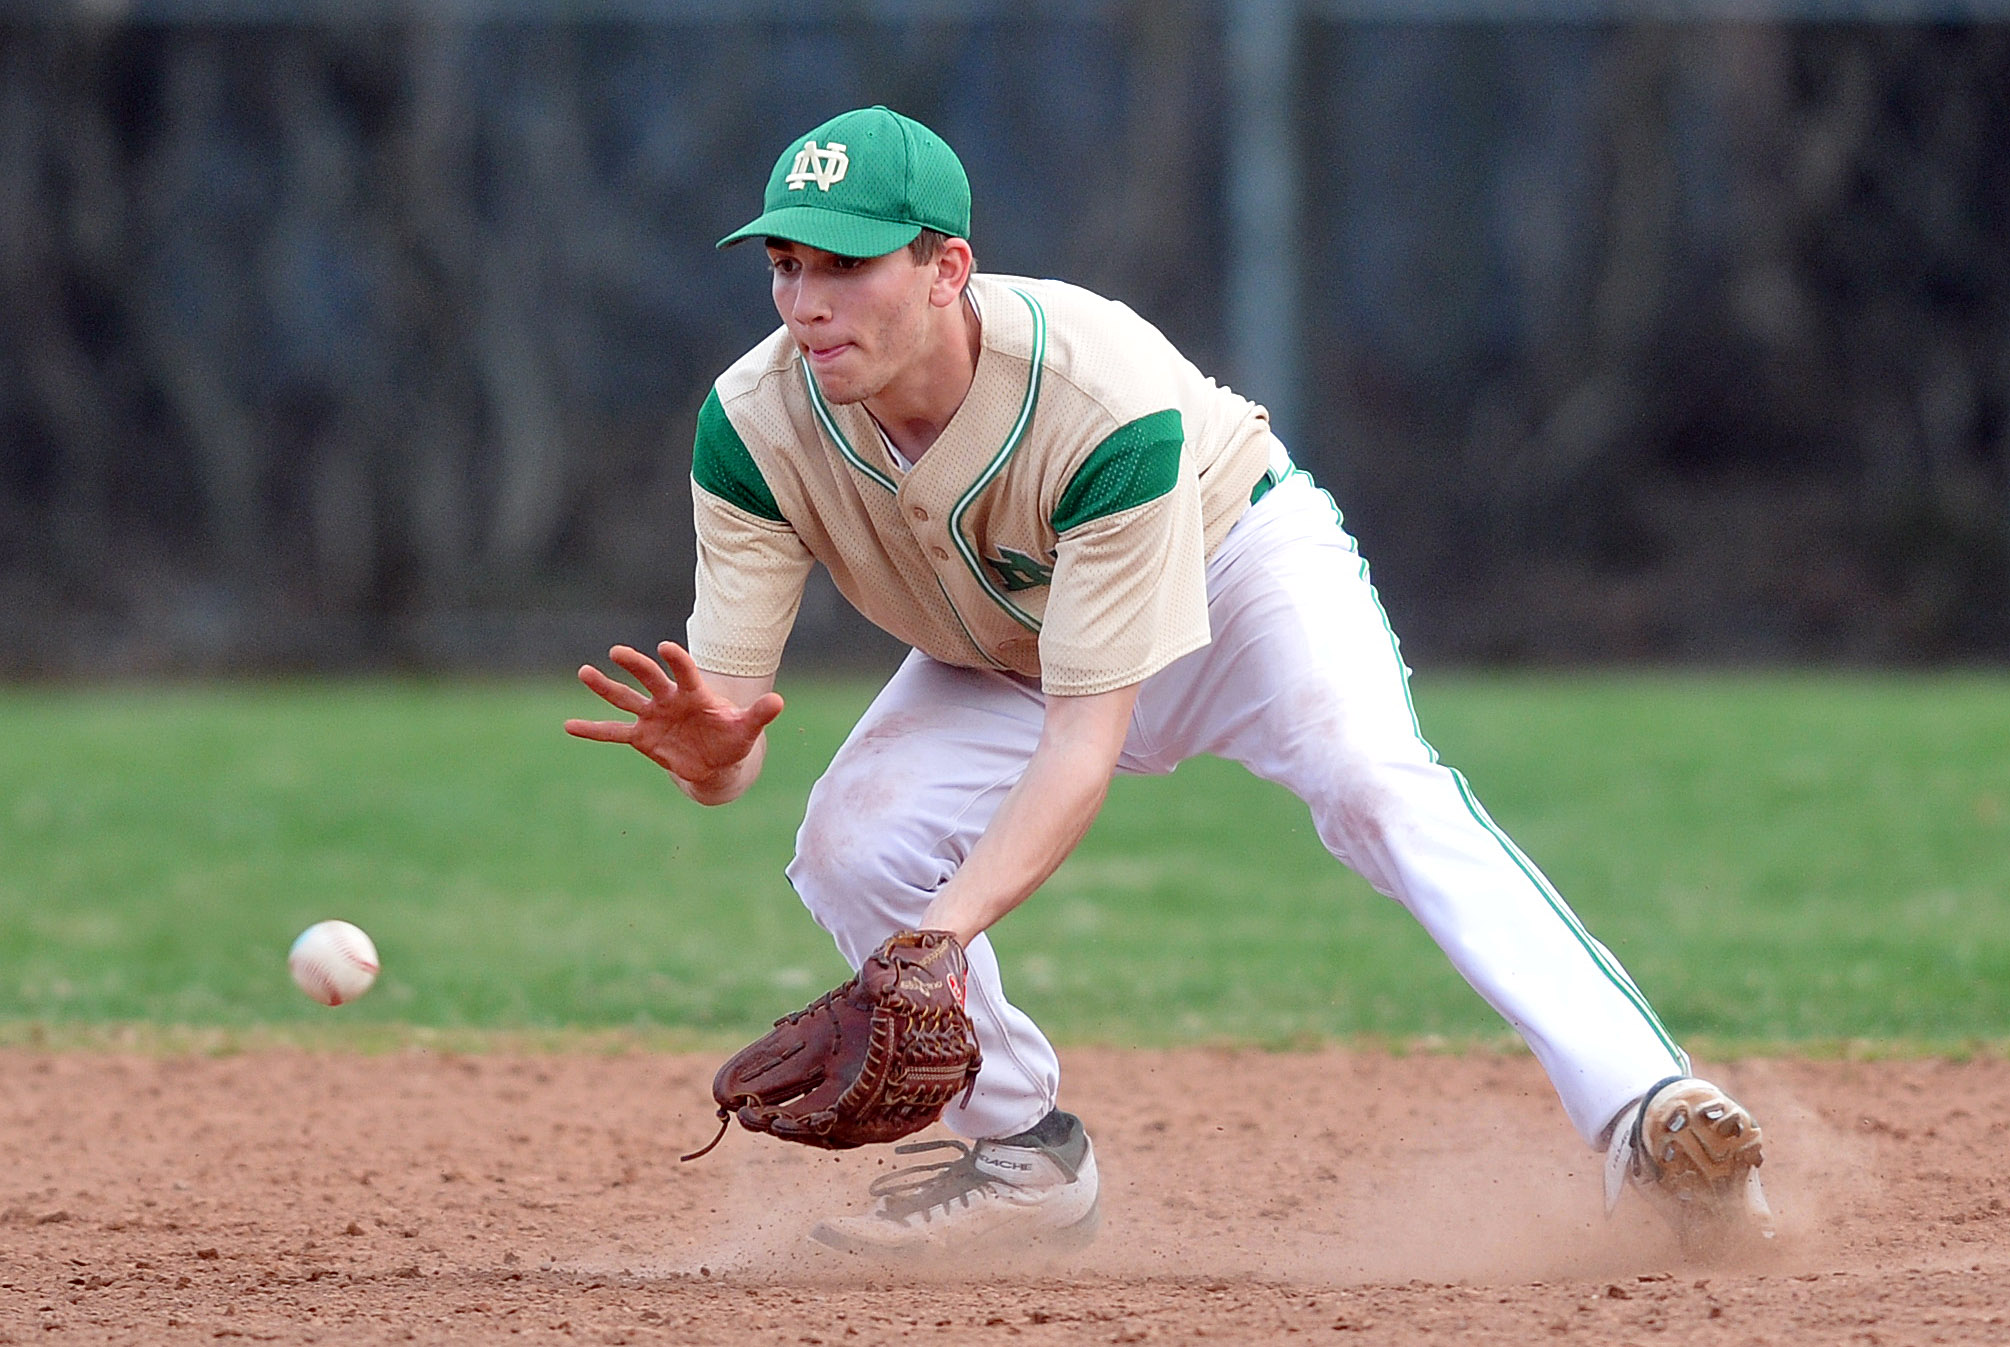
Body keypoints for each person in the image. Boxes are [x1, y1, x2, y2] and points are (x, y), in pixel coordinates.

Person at [566, 106, 1773, 1259]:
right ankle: (1024, 1159)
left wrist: (932, 943)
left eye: (848, 266)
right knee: (848, 841)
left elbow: (1085, 749)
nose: (805, 304)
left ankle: (1646, 1114)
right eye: (784, 264)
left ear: (947, 269)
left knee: (1374, 785)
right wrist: (718, 759)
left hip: (1234, 577)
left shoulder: (1099, 397)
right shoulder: (752, 424)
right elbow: (734, 732)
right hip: (1003, 650)